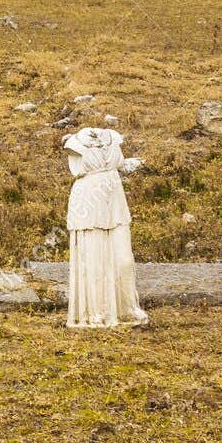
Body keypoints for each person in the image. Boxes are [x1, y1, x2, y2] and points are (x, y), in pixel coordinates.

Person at [64, 127, 147, 329]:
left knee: (124, 259)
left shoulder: (113, 137)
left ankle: (124, 308)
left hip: (114, 196)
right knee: (93, 256)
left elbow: (120, 164)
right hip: (88, 200)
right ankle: (97, 311)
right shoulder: (75, 143)